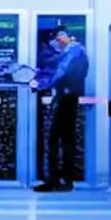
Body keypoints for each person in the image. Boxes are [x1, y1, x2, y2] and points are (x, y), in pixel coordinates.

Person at [30, 29, 89, 192]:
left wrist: (42, 85)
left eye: (59, 37)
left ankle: (56, 181)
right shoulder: (75, 51)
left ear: (68, 37)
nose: (57, 41)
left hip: (66, 98)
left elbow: (62, 73)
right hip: (67, 97)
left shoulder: (74, 50)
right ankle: (62, 180)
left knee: (56, 139)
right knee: (64, 139)